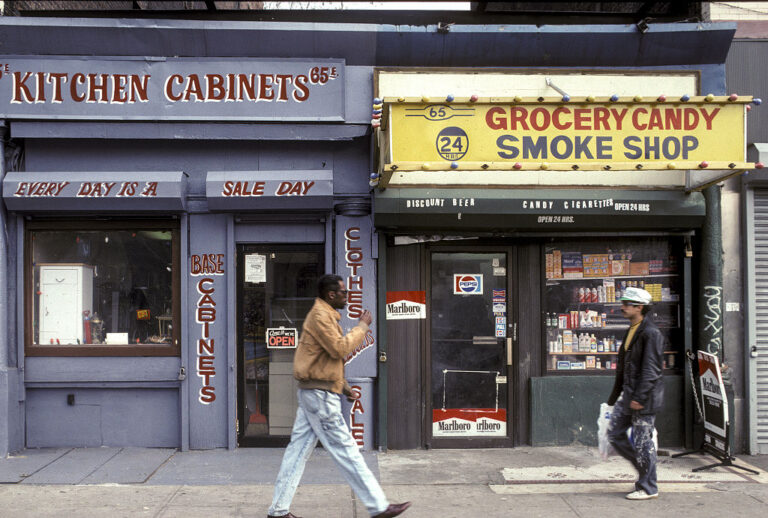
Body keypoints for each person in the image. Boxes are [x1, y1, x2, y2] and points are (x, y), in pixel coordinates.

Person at [268, 274, 411, 518]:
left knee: (297, 452)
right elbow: (339, 348)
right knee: (346, 449)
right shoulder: (321, 316)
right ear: (331, 295)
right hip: (320, 397)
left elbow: (322, 360)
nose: (347, 296)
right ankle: (378, 506)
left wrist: (344, 388)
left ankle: (278, 510)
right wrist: (363, 326)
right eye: (344, 292)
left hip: (315, 393)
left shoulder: (324, 315)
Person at [606, 286, 665, 501]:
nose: (622, 307)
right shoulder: (633, 329)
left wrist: (640, 398)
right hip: (630, 395)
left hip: (643, 398)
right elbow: (625, 367)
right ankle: (645, 473)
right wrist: (616, 397)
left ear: (639, 307)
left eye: (626, 304)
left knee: (643, 442)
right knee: (614, 435)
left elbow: (651, 369)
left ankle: (648, 486)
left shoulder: (650, 333)